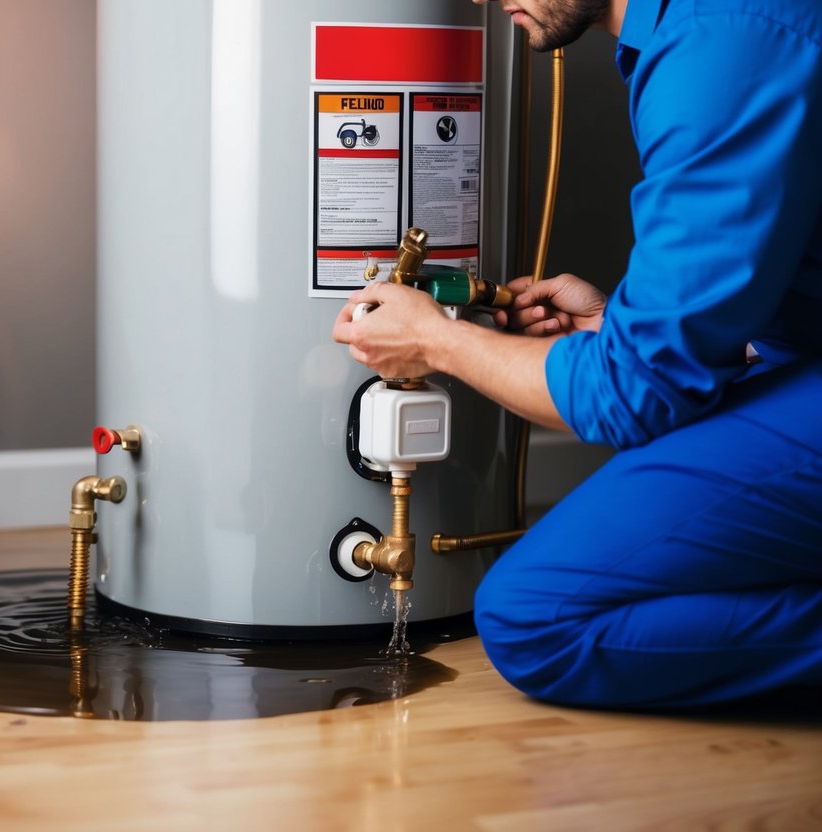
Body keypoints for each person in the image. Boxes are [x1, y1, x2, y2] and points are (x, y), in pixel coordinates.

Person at [333, 0, 822, 710]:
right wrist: (620, 329)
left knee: (537, 619)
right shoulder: (705, 30)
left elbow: (633, 394)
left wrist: (436, 339)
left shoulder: (722, 47)